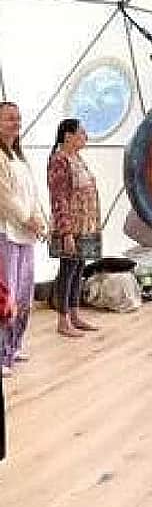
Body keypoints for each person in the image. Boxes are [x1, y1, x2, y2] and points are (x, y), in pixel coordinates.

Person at [0, 103, 47, 375]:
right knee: (7, 296)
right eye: (9, 118)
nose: (15, 122)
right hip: (7, 232)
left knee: (24, 294)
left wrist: (41, 221)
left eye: (18, 118)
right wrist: (27, 219)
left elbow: (33, 197)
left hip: (26, 235)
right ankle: (1, 354)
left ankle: (15, 346)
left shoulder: (19, 158)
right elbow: (5, 197)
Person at [47, 118, 101, 337]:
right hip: (70, 227)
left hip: (85, 225)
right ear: (68, 136)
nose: (85, 137)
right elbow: (58, 199)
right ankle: (63, 320)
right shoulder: (59, 160)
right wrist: (66, 232)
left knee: (78, 269)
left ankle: (75, 314)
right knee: (68, 270)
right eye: (81, 133)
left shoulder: (77, 158)